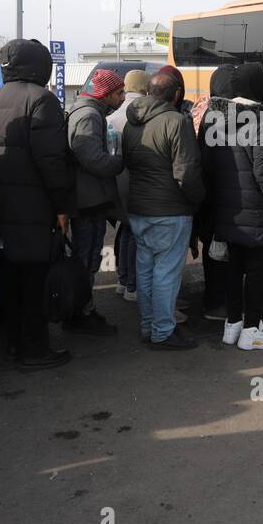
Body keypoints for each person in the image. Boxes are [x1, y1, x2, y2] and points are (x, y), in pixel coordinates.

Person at [0, 39, 74, 367]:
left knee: (12, 279)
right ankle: (34, 350)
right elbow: (52, 161)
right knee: (35, 281)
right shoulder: (42, 100)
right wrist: (62, 207)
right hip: (35, 207)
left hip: (3, 205)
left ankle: (13, 343)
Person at [123, 72, 205, 348]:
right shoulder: (176, 121)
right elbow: (187, 173)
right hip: (169, 210)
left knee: (145, 271)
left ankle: (150, 326)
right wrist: (196, 202)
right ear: (177, 94)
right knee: (166, 274)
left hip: (138, 208)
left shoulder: (131, 121)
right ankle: (163, 331)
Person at [207, 62, 263, 350]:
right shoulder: (262, 121)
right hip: (258, 211)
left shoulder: (217, 118)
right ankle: (252, 328)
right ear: (255, 87)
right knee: (256, 270)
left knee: (233, 267)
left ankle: (233, 324)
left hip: (229, 210)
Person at [65, 69, 125, 335]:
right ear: (106, 94)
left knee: (87, 257)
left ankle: (82, 309)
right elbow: (92, 158)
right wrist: (119, 163)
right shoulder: (89, 115)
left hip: (89, 196)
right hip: (88, 200)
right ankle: (81, 312)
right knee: (86, 259)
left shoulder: (88, 111)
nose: (123, 97)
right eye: (119, 93)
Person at [193, 65, 237, 320]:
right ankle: (217, 303)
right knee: (222, 252)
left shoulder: (209, 113)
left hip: (209, 197)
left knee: (213, 249)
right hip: (222, 197)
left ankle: (214, 299)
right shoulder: (226, 116)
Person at [109, 69, 150, 304]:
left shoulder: (112, 117)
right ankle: (133, 286)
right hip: (137, 182)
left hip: (116, 181)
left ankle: (123, 280)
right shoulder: (142, 114)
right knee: (136, 236)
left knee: (124, 231)